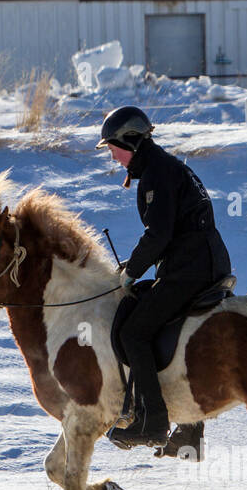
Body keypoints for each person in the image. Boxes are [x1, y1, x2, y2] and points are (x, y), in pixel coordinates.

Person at [97, 105, 232, 456]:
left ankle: (152, 422)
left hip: (191, 269)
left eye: (113, 146)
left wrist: (131, 272)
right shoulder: (165, 167)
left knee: (133, 332)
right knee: (149, 312)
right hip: (201, 262)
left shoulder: (158, 173)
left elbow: (158, 234)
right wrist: (137, 263)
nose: (111, 155)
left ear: (131, 141)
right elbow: (170, 233)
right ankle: (189, 430)